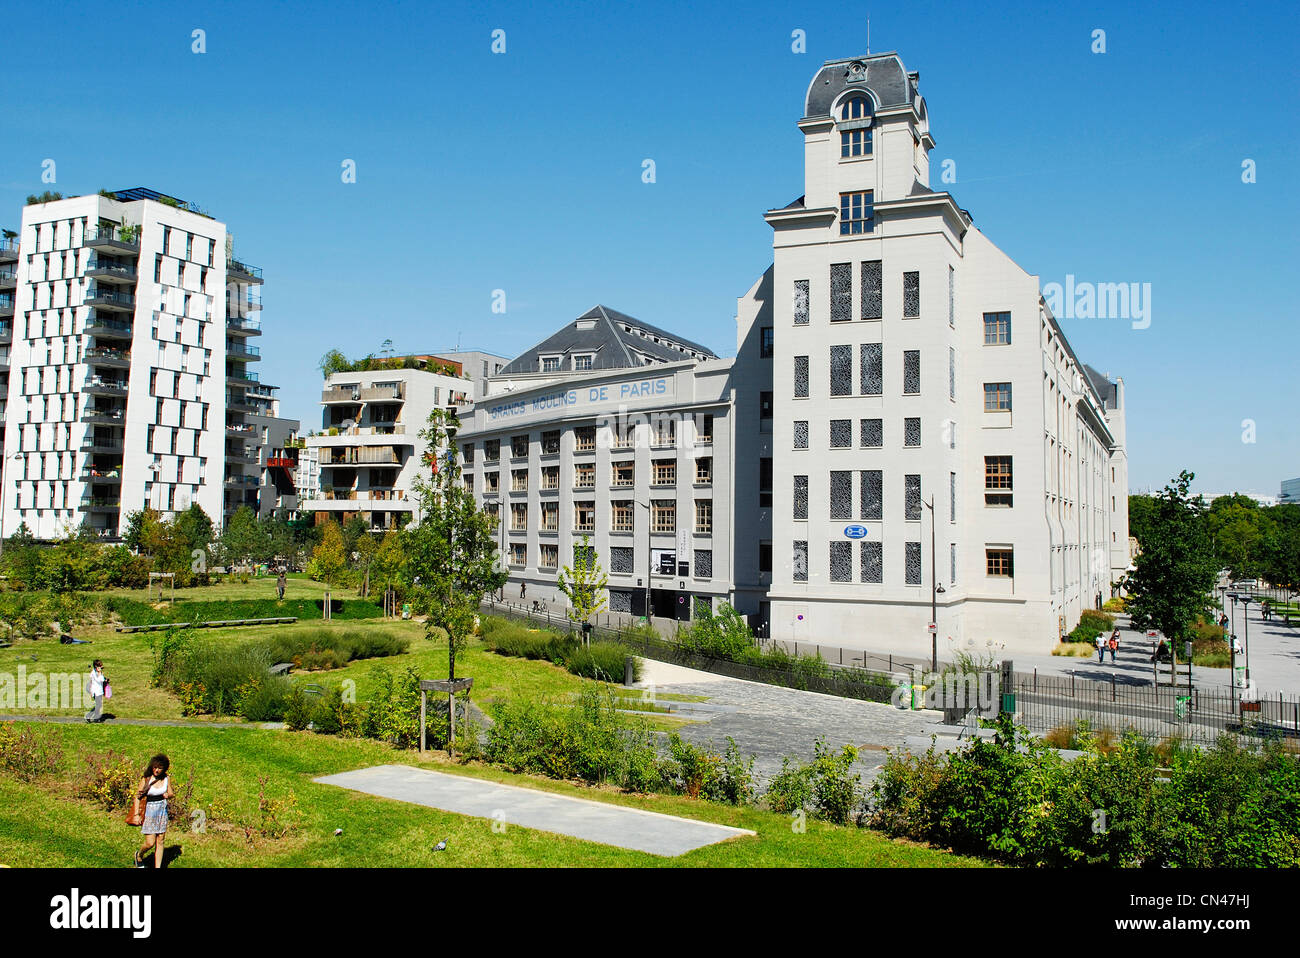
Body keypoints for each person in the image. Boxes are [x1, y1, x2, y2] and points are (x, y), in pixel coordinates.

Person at [135, 754, 175, 868]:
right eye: (155, 767)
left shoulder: (166, 778)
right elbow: (138, 797)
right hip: (149, 811)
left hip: (162, 810)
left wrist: (169, 795)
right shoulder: (146, 779)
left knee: (161, 839)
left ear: (164, 768)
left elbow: (171, 793)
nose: (157, 770)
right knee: (150, 843)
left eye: (160, 768)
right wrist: (137, 815)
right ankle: (139, 855)